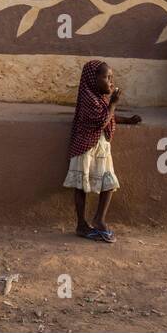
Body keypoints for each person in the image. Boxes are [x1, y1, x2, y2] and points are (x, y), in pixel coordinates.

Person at [64, 60, 124, 243]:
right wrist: (113, 103)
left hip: (101, 147)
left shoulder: (100, 97)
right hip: (86, 147)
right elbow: (101, 120)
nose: (111, 82)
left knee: (109, 182)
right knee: (81, 185)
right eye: (106, 77)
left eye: (111, 77)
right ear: (93, 79)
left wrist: (127, 119)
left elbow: (108, 115)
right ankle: (81, 224)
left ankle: (99, 219)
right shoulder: (89, 99)